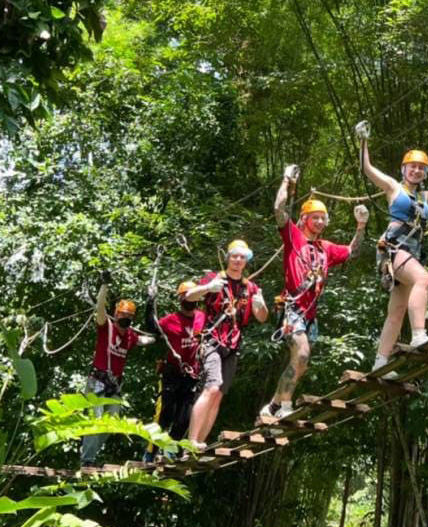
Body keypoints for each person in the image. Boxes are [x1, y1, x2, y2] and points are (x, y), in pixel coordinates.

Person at [259, 166, 368, 422]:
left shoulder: (326, 248)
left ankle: (273, 406)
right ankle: (285, 407)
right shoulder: (294, 238)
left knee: (301, 363)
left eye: (322, 218)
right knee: (302, 354)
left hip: (310, 315)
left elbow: (352, 251)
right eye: (314, 217)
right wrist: (286, 180)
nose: (319, 221)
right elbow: (279, 209)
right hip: (292, 309)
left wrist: (361, 225)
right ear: (304, 219)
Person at [355, 121, 428, 373]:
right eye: (412, 166)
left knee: (397, 310)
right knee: (423, 280)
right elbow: (367, 168)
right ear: (404, 169)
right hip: (393, 248)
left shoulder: (425, 197)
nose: (417, 170)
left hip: (412, 253)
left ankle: (380, 362)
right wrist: (363, 141)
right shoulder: (394, 187)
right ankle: (419, 334)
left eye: (421, 168)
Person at [184, 239, 269, 448]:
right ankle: (191, 440)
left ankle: (200, 442)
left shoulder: (250, 287)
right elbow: (189, 296)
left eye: (242, 257)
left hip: (233, 344)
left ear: (246, 260)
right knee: (212, 387)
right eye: (234, 256)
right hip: (212, 340)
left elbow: (261, 317)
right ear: (228, 258)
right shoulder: (215, 278)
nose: (238, 260)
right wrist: (208, 288)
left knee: (218, 395)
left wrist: (261, 305)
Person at [80, 275, 155, 467]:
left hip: (114, 386)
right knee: (97, 421)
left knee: (110, 425)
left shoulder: (130, 336)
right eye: (122, 315)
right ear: (116, 314)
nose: (125, 319)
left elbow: (145, 340)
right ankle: (87, 460)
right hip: (97, 381)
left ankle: (90, 453)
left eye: (129, 316)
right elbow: (100, 308)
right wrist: (104, 285)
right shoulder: (106, 328)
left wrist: (158, 335)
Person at [142, 281, 207, 462]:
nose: (189, 300)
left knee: (185, 418)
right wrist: (150, 302)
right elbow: (152, 327)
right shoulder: (170, 320)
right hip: (172, 374)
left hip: (192, 376)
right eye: (185, 297)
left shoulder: (202, 317)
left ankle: (170, 450)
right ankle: (151, 452)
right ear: (180, 299)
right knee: (165, 415)